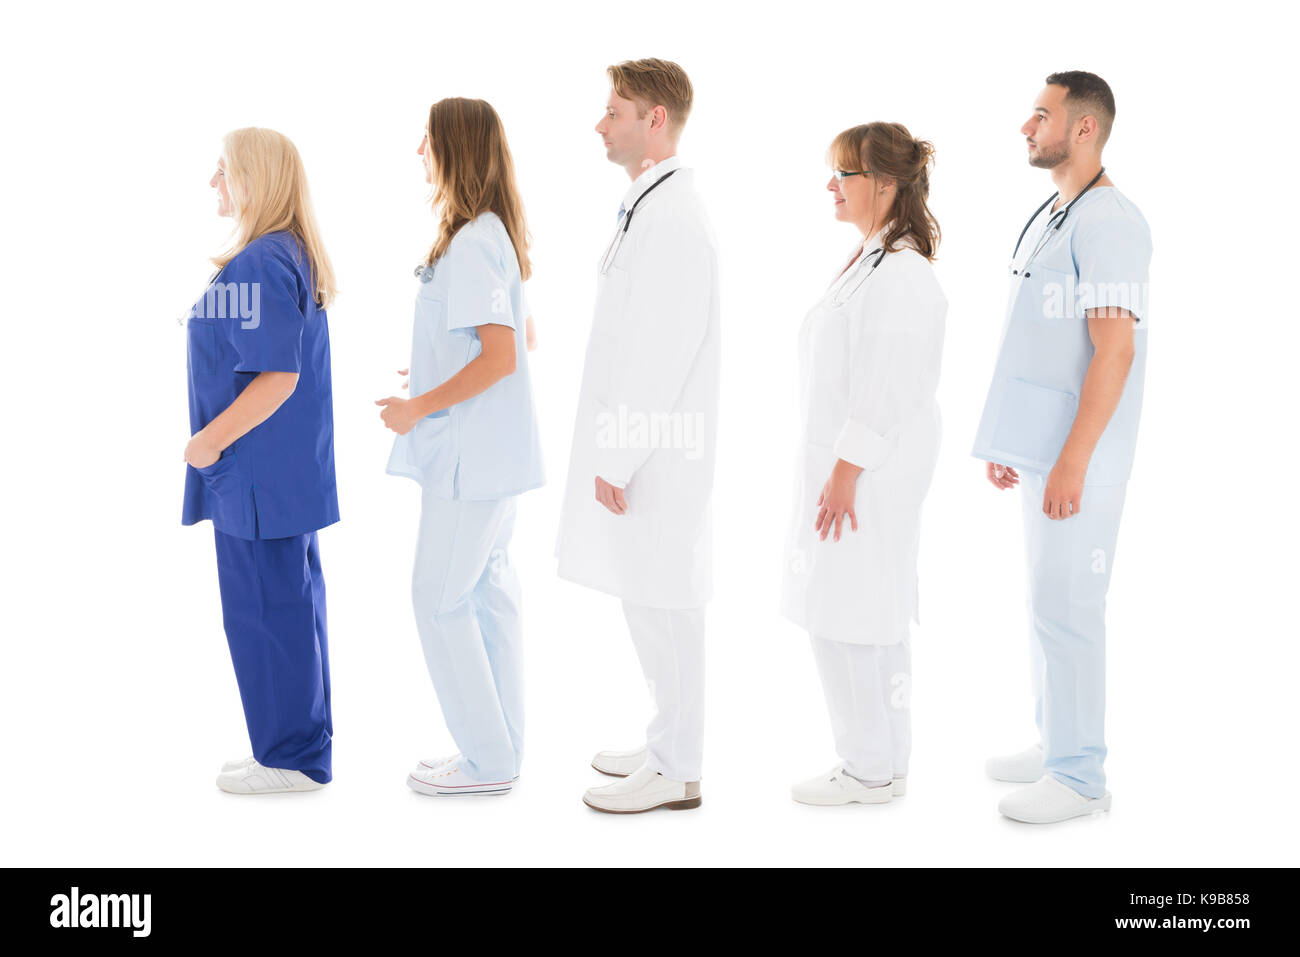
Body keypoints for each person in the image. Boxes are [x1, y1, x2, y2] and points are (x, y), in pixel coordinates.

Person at [972, 71, 1151, 824]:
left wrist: (1074, 456)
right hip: (1047, 447)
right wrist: (1016, 438)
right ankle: (1056, 742)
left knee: (1070, 603)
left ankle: (1079, 776)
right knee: (1046, 599)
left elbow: (1113, 352)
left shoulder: (1108, 221)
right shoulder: (1056, 213)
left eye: (1040, 115)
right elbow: (1039, 344)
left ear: (1084, 128)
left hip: (1085, 452)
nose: (1026, 127)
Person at [555, 58, 720, 814]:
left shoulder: (676, 217)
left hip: (657, 449)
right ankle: (664, 743)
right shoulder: (648, 208)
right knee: (647, 598)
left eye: (615, 110)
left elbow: (662, 351)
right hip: (642, 445)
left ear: (654, 120)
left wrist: (617, 455)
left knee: (668, 600)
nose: (601, 122)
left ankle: (678, 766)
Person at [378, 97, 543, 798]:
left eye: (429, 137)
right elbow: (518, 341)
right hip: (493, 457)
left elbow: (502, 356)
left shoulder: (474, 240)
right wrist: (438, 368)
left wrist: (421, 403)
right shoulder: (494, 234)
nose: (420, 147)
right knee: (484, 593)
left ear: (454, 149)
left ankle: (485, 759)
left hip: (470, 460)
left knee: (437, 597)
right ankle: (498, 749)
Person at [781, 123, 947, 806]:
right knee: (865, 607)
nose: (830, 186)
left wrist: (846, 469)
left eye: (842, 174)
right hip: (854, 465)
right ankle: (886, 760)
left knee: (847, 609)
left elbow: (886, 380)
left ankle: (867, 767)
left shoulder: (902, 274)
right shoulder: (874, 260)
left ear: (884, 183)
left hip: (864, 471)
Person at [182, 127, 340, 794]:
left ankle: (293, 757)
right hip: (273, 476)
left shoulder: (258, 265)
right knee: (288, 609)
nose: (214, 184)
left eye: (223, 172)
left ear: (252, 179)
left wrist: (207, 442)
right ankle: (293, 746)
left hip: (253, 477)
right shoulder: (284, 256)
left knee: (264, 611)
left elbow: (278, 375)